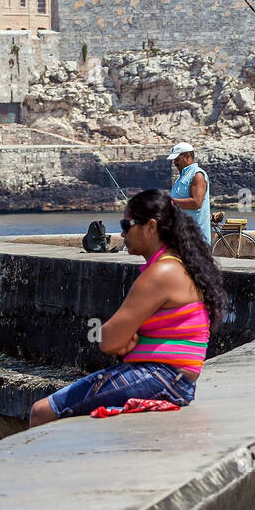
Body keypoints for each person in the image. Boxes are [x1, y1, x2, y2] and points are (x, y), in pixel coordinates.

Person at [29, 190, 226, 424]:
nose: (122, 233)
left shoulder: (161, 273)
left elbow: (109, 340)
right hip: (177, 381)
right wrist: (128, 339)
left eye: (126, 224)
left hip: (160, 377)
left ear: (151, 227)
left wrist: (126, 339)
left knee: (41, 412)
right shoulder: (179, 265)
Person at [168, 142, 212, 243]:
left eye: (177, 159)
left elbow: (196, 203)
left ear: (187, 156)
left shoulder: (197, 175)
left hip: (194, 239)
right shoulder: (181, 177)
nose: (174, 162)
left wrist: (170, 202)